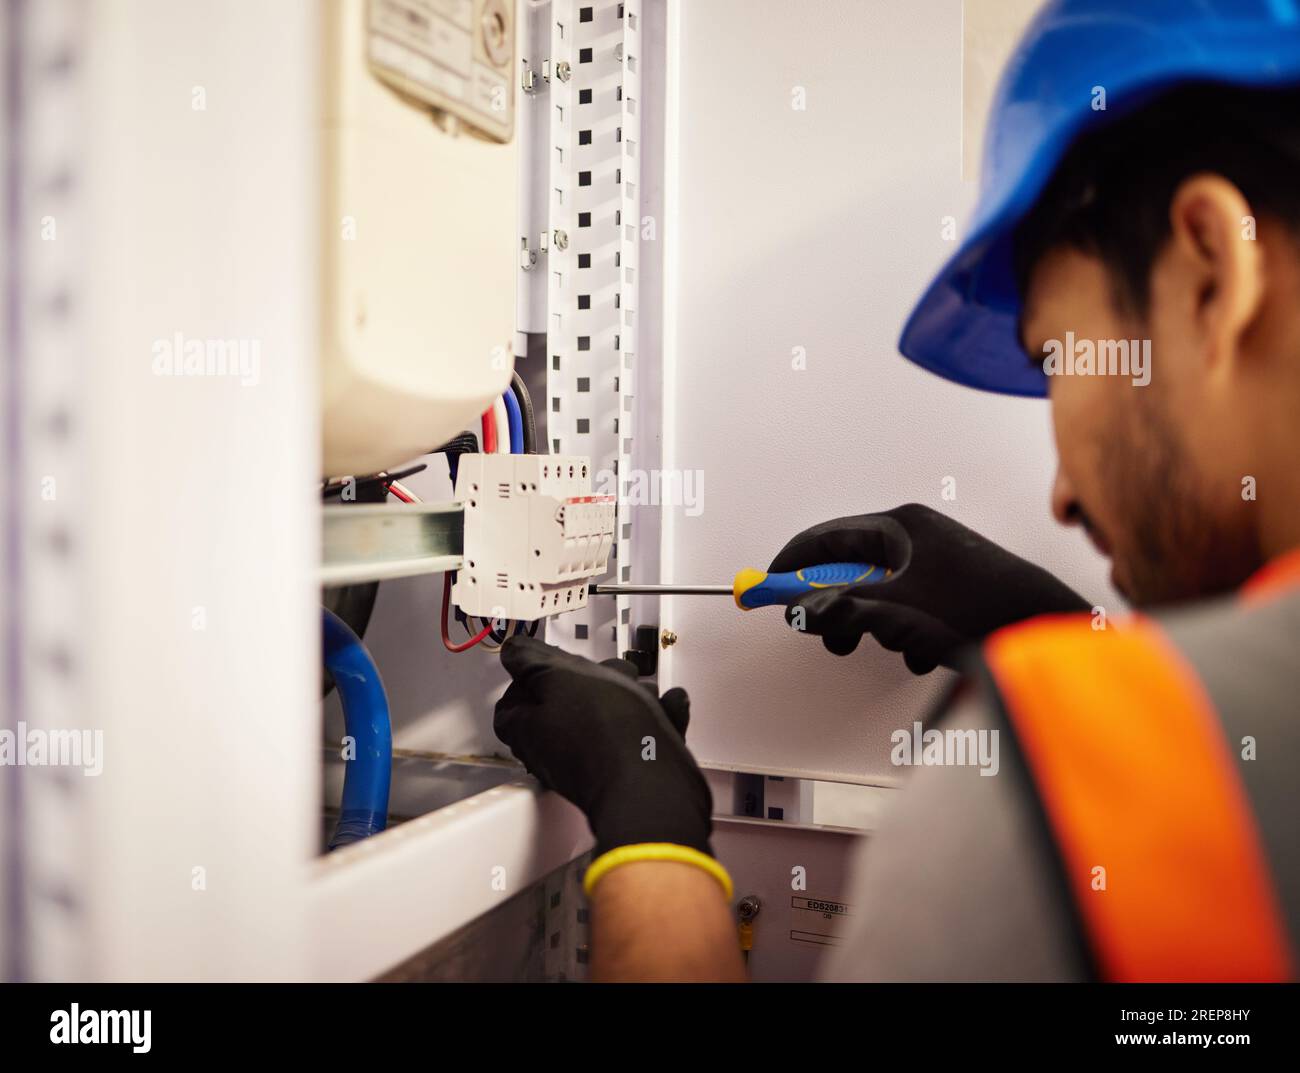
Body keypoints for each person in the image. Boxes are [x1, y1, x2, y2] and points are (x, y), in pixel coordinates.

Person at [493, 0, 1300, 981]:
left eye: (1056, 358)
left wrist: (651, 829)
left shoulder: (1063, 771)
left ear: (1209, 273)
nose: (1059, 497)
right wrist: (1068, 627)